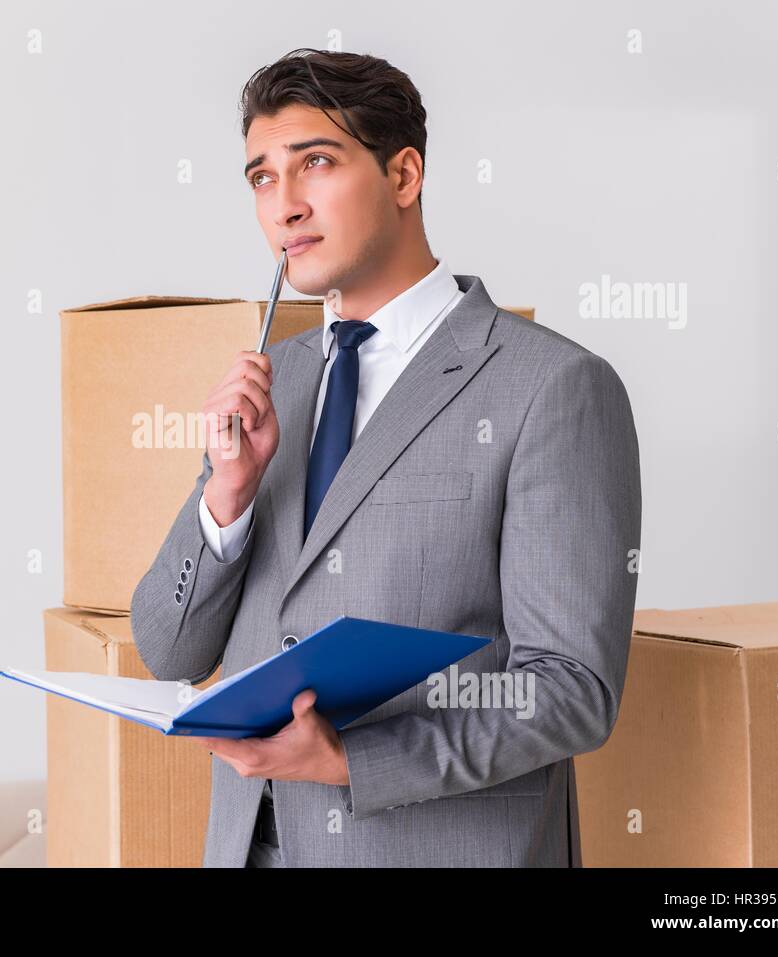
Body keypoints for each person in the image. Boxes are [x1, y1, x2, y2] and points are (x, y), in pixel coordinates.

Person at [130, 48, 641, 867]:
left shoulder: (554, 387)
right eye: (261, 178)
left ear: (404, 177)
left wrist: (351, 760)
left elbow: (573, 690)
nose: (283, 206)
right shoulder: (276, 382)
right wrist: (227, 496)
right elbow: (170, 650)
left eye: (316, 164)